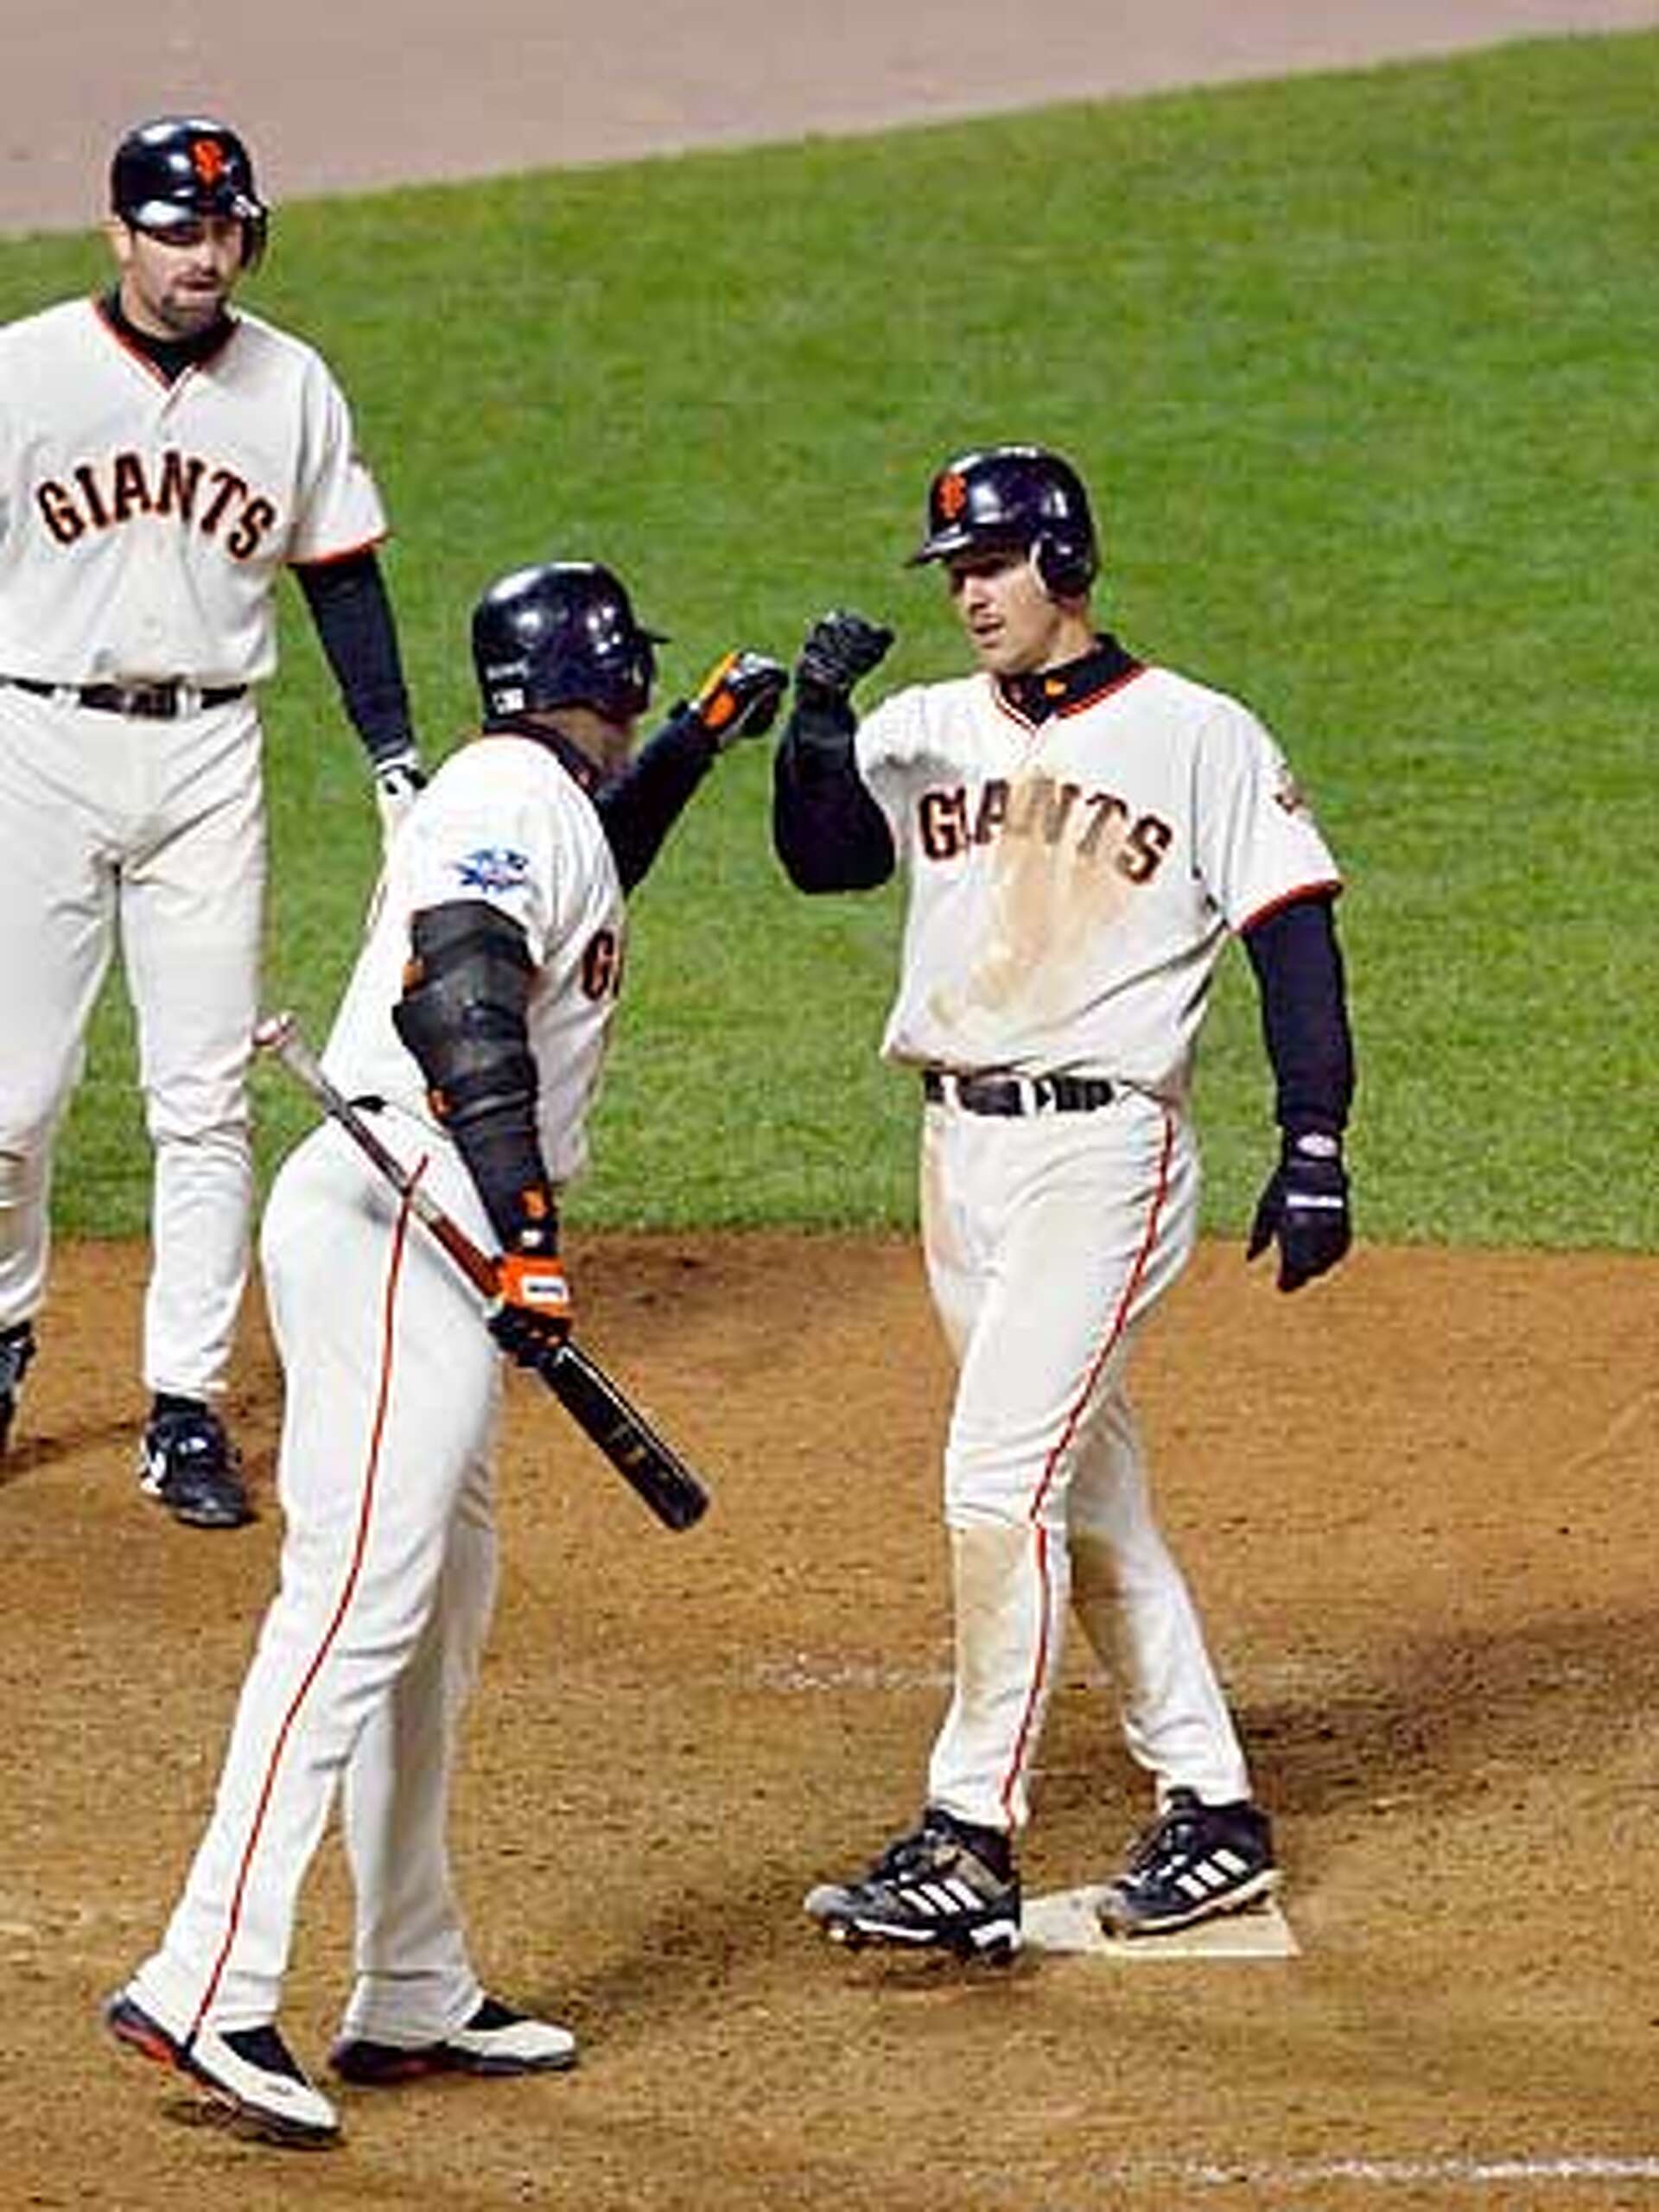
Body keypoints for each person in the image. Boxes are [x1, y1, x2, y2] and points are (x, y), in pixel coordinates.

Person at [104, 557, 786, 2145]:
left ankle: (409, 1980)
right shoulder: (504, 797)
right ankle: (204, 1977)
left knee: (431, 1616)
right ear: (606, 678)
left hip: (434, 1222)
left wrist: (694, 747)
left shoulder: (532, 799)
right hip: (405, 1218)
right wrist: (529, 1229)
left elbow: (575, 878)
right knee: (352, 1603)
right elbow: (464, 981)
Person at [773, 443, 1355, 1959]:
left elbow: (1293, 931)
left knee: (997, 1483)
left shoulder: (1197, 733)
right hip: (955, 1159)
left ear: (1067, 563)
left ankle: (969, 1833)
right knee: (1085, 1499)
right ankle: (1214, 1810)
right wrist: (815, 728)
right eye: (954, 572)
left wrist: (1315, 1137)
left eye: (993, 565)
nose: (970, 594)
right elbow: (825, 865)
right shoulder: (925, 727)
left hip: (1105, 1157)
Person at [0, 115, 427, 1527]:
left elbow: (342, 577)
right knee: (11, 1101)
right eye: (177, 232)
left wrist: (393, 757)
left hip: (208, 760)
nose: (204, 257)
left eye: (225, 231)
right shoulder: (25, 374)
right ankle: (2, 1337)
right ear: (118, 235)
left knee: (202, 1100)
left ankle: (183, 1407)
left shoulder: (289, 385)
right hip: (35, 744)